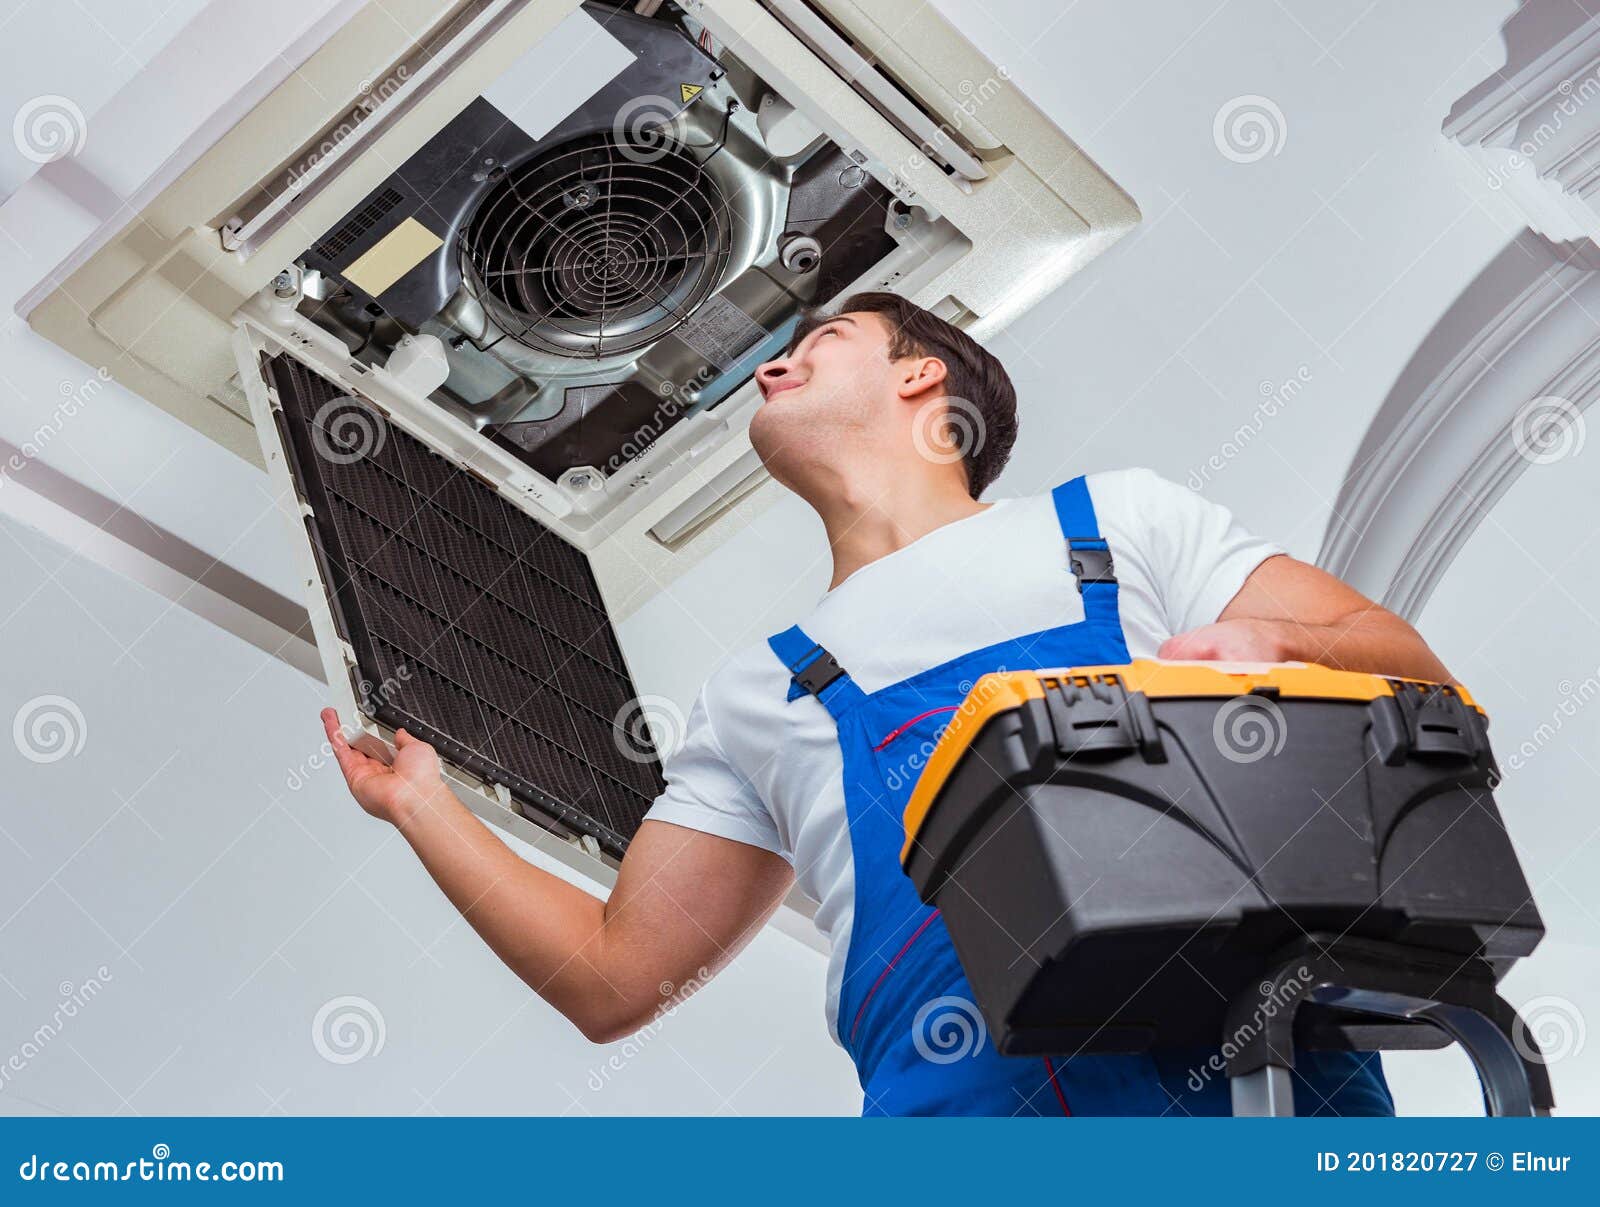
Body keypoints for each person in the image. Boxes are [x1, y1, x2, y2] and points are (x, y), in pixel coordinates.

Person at [321, 291, 1455, 1116]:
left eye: (820, 342)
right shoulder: (762, 689)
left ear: (923, 380)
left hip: (1255, 1080)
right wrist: (423, 806)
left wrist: (1274, 643)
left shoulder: (1114, 525)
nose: (767, 370)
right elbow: (613, 977)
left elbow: (1413, 673)